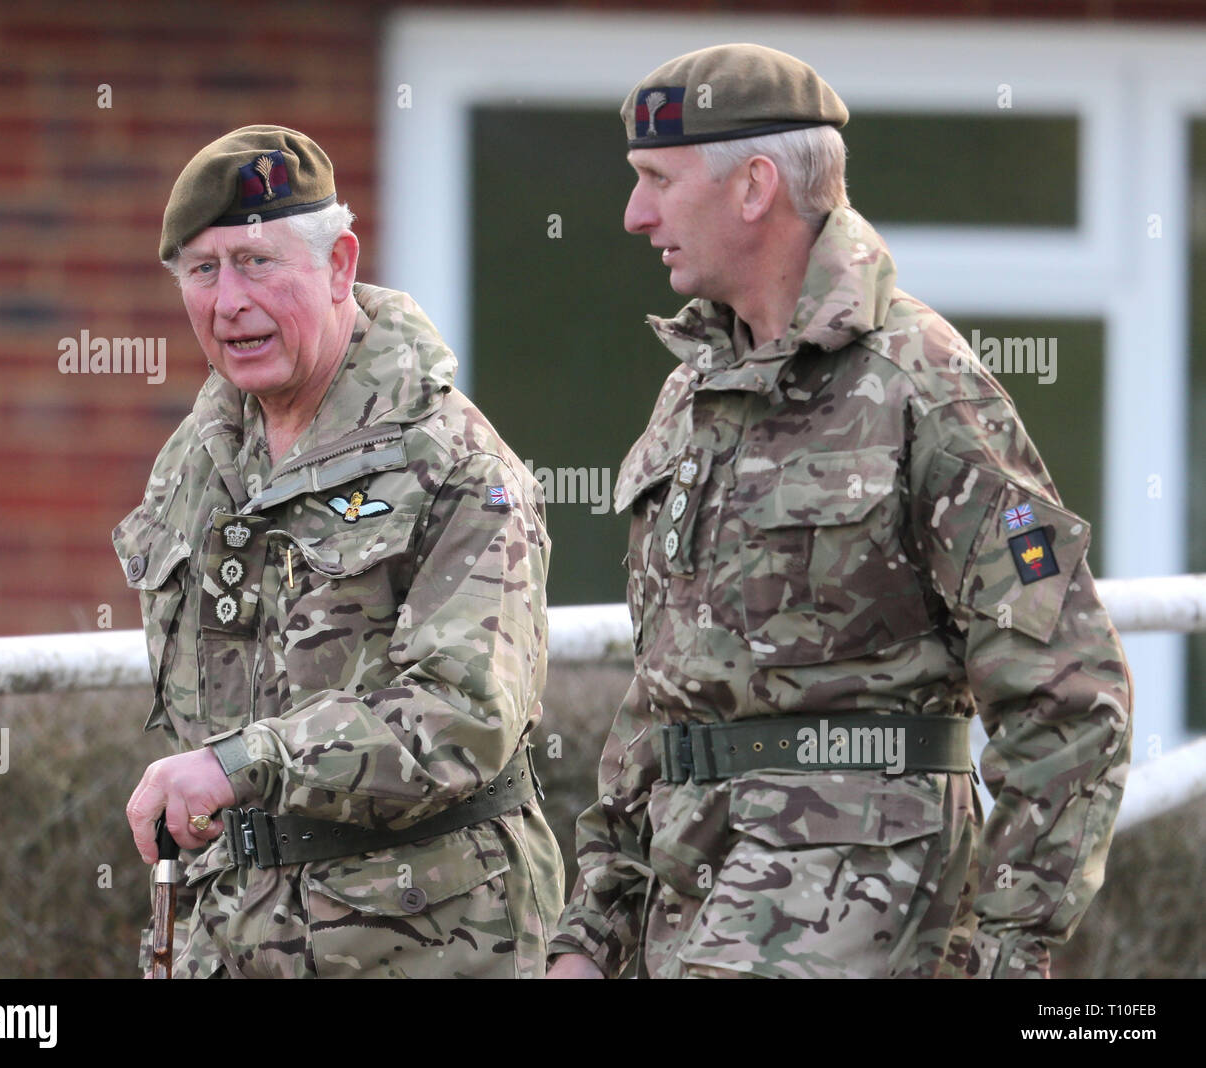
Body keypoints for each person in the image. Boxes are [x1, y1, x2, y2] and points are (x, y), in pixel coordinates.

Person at [545, 45, 1131, 979]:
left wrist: (1015, 953)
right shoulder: (695, 395)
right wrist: (591, 931)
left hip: (859, 884)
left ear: (754, 187)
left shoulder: (920, 384)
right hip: (690, 893)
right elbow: (667, 690)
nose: (634, 213)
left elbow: (1068, 687)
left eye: (657, 179)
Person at [116, 125, 563, 978]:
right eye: (202, 271)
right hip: (232, 935)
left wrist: (243, 764)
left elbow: (462, 718)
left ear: (339, 266)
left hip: (420, 937)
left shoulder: (451, 462)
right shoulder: (198, 457)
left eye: (257, 263)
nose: (228, 300)